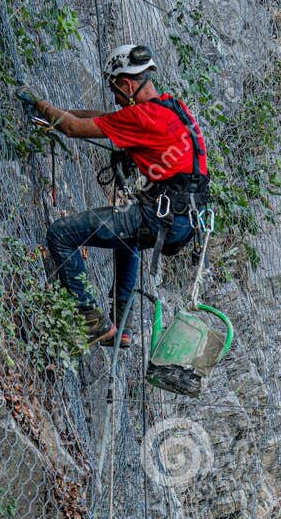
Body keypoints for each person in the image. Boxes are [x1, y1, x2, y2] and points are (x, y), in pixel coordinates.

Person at [25, 44, 209, 346]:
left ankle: (90, 319)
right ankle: (121, 326)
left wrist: (41, 104)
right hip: (184, 221)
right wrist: (57, 114)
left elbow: (72, 128)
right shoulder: (174, 108)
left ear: (127, 84)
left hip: (159, 218)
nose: (115, 98)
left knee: (61, 234)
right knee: (129, 237)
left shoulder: (141, 118)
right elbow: (102, 118)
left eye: (116, 90)